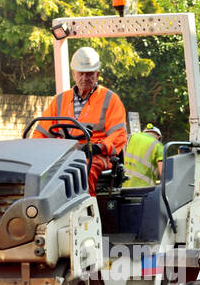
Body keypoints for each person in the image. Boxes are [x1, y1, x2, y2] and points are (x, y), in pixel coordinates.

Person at [31, 46, 128, 194]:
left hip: (96, 156)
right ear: (73, 74)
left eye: (89, 74)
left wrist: (97, 147)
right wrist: (38, 151)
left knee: (81, 169)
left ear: (97, 75)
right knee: (39, 172)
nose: (84, 78)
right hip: (64, 155)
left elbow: (119, 135)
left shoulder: (110, 99)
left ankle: (84, 206)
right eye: (81, 73)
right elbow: (41, 133)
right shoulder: (59, 100)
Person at [122, 124, 164, 189]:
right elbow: (163, 171)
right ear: (159, 137)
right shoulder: (158, 144)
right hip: (144, 188)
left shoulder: (130, 137)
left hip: (124, 186)